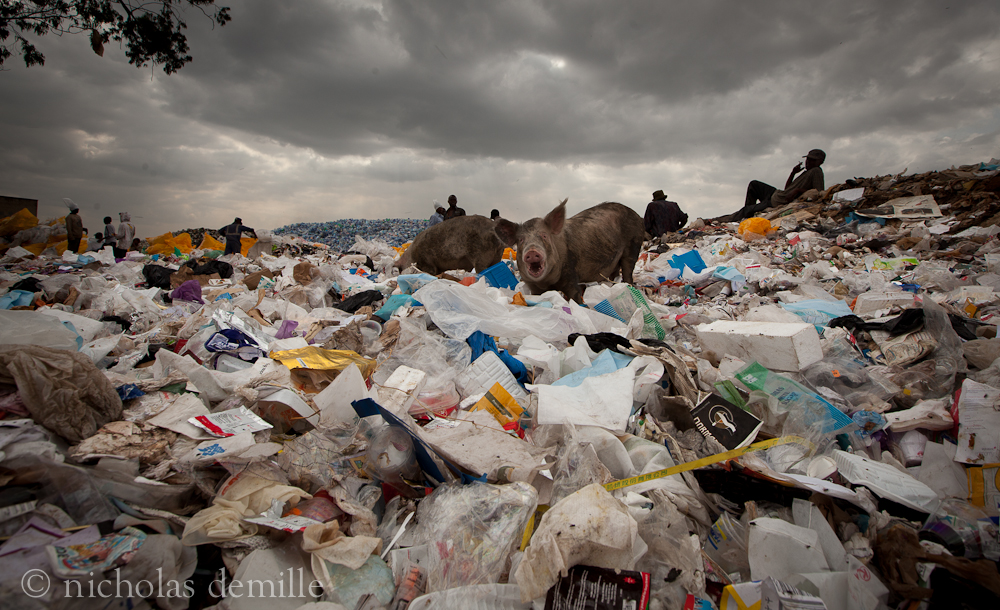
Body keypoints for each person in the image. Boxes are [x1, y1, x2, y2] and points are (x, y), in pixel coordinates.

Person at [730, 149, 826, 222]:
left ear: (820, 161)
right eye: (808, 159)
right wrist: (793, 173)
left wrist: (798, 190)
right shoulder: (806, 172)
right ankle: (749, 215)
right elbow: (787, 189)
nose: (808, 162)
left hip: (777, 201)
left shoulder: (816, 171)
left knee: (746, 210)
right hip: (777, 194)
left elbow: (818, 192)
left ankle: (726, 219)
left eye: (812, 160)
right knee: (754, 184)